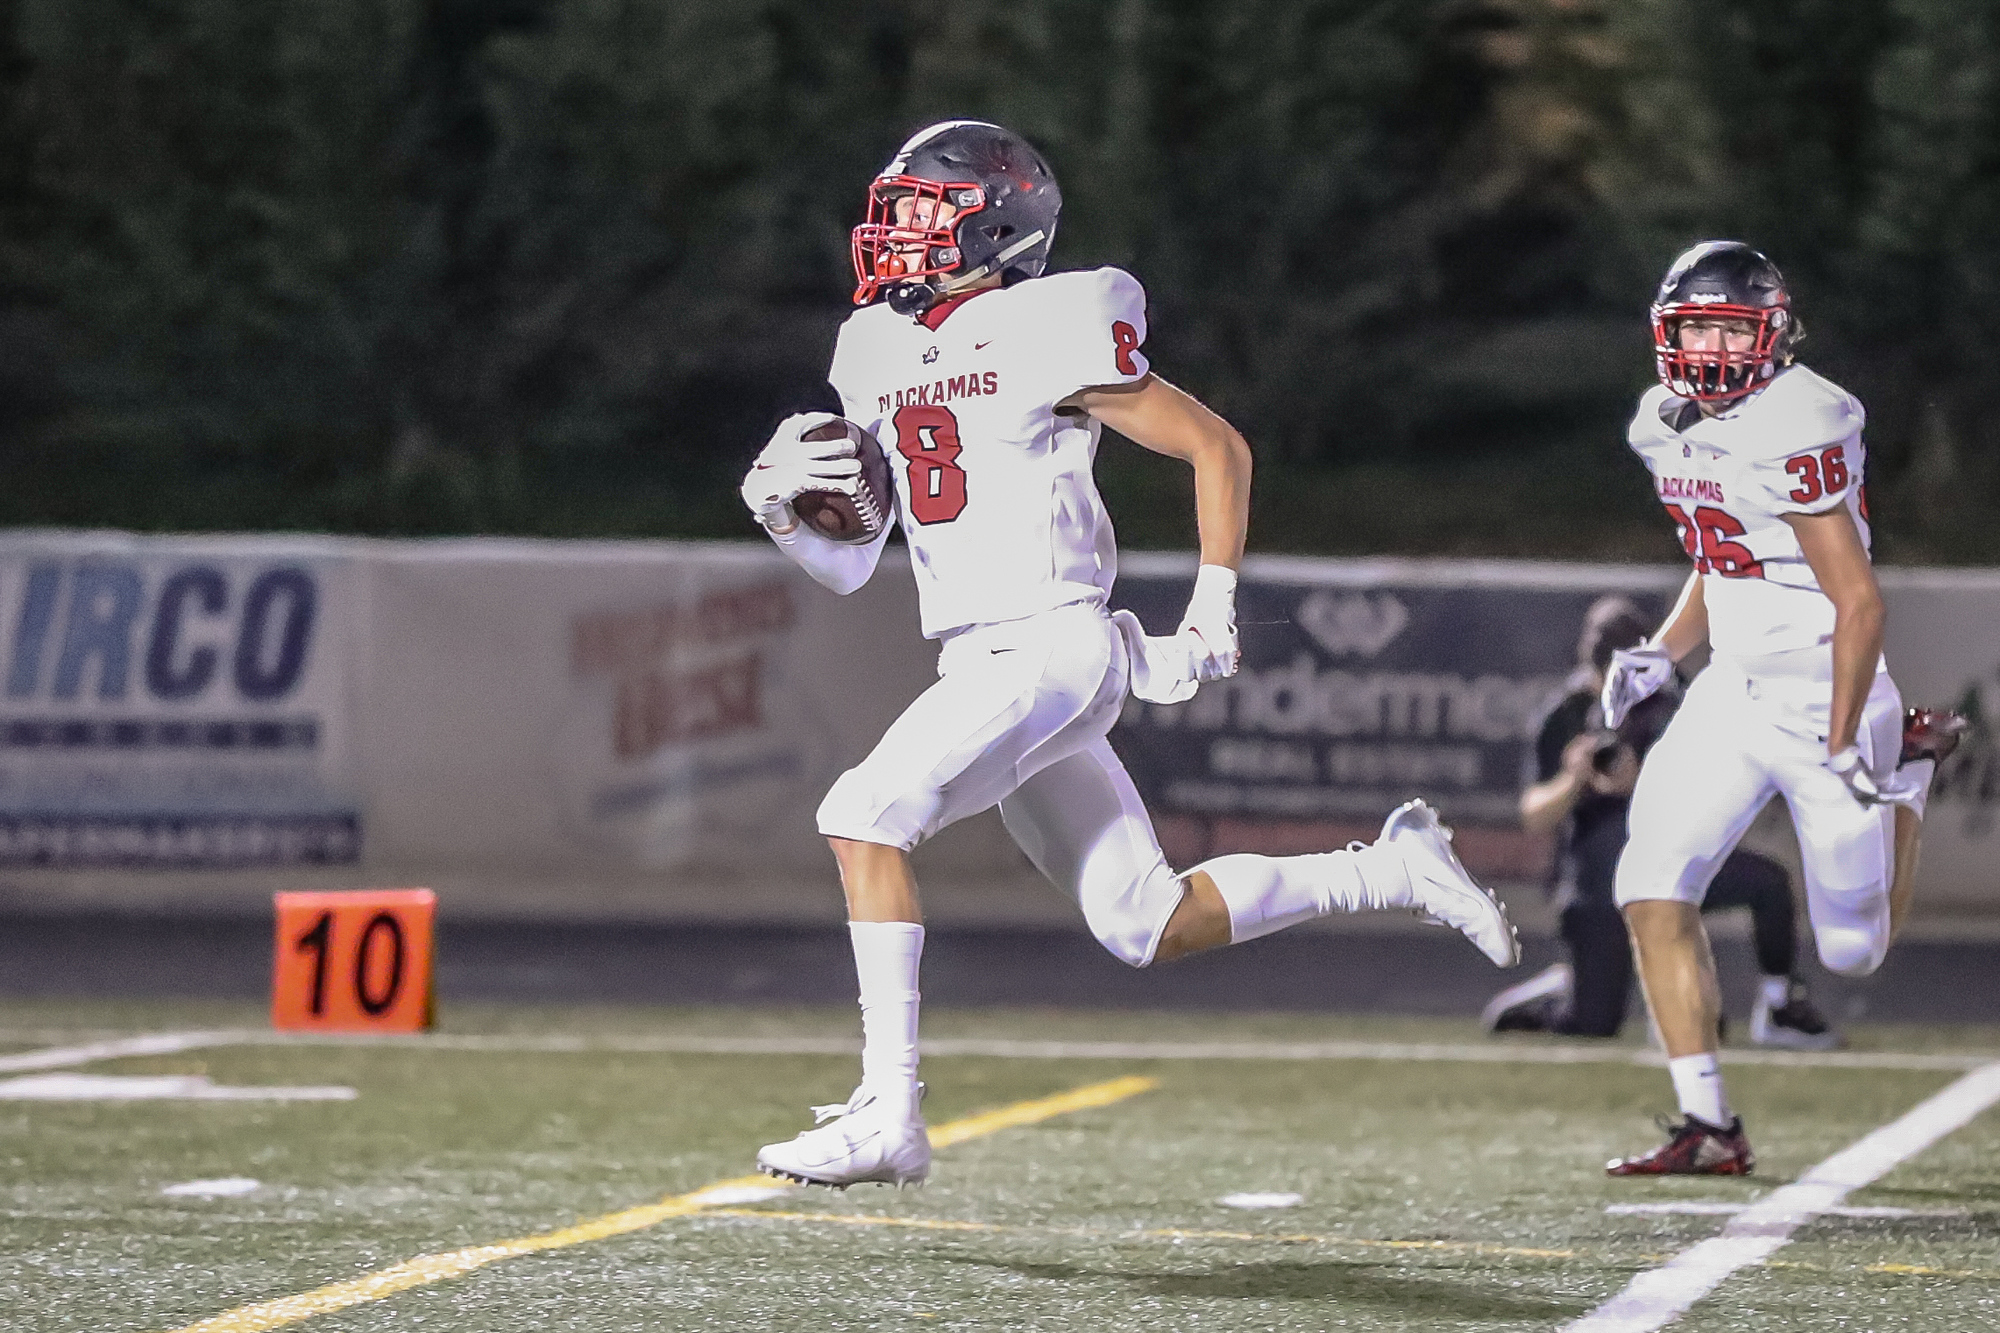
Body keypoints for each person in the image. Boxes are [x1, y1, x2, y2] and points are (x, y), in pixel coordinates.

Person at [738, 119, 1520, 1189]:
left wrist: (1211, 606)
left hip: (1051, 645)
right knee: (1142, 920)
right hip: (980, 659)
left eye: (923, 212)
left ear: (998, 228)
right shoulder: (871, 347)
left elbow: (1216, 446)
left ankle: (888, 1110)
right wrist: (788, 513)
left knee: (859, 813)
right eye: (896, 212)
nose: (897, 234)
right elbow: (854, 564)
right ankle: (1388, 867)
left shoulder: (1046, 322)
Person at [1598, 241, 1967, 1176]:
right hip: (1731, 689)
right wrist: (1663, 651)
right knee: (1649, 885)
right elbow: (1724, 556)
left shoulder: (1801, 419)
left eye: (1731, 325)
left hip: (1820, 689)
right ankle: (1708, 1123)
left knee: (1851, 953)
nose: (1713, 346)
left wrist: (1847, 741)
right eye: (1697, 327)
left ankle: (1909, 779)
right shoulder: (1661, 420)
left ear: (1771, 333)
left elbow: (1861, 603)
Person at [1480, 595, 1839, 1047]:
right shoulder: (1565, 713)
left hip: (1669, 862)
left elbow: (1717, 785)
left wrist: (1649, 778)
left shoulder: (1671, 705)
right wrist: (1575, 779)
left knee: (1765, 885)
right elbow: (1535, 815)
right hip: (1599, 883)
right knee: (1593, 1024)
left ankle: (1780, 1002)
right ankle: (1568, 987)